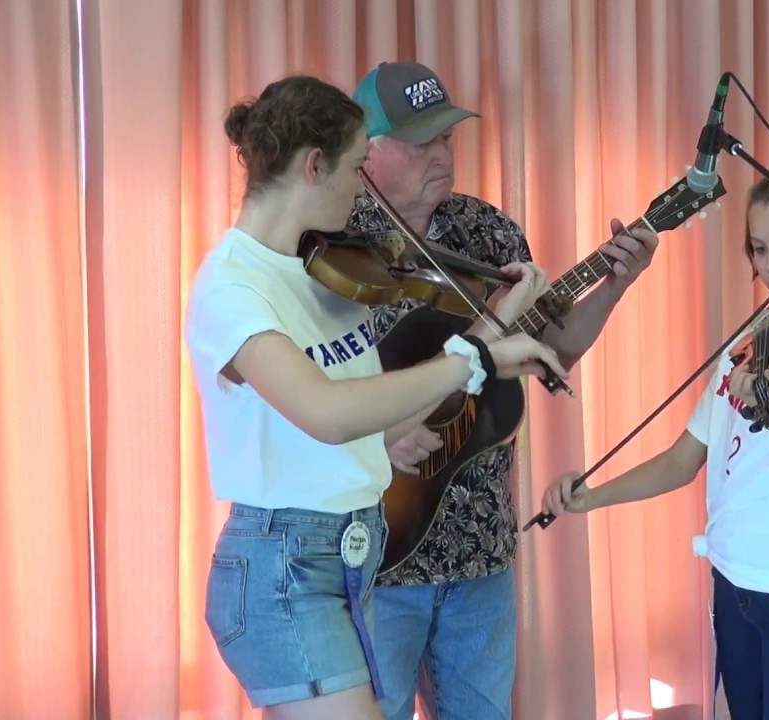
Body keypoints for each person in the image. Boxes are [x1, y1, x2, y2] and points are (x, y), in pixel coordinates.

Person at [184, 74, 567, 720]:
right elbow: (329, 415)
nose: (362, 187)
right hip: (284, 568)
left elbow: (377, 414)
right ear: (314, 167)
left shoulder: (323, 272)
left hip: (351, 555)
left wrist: (492, 336)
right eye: (356, 167)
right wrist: (472, 357)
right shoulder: (233, 288)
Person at [347, 61, 661, 720]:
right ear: (365, 151)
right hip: (376, 555)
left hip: (479, 543)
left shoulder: (485, 231)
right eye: (421, 140)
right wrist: (375, 427)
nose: (441, 154)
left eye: (447, 138)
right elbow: (299, 383)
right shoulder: (332, 243)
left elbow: (556, 343)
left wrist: (617, 282)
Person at [542, 148, 769, 720]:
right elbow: (683, 460)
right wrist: (593, 496)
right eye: (759, 247)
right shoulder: (754, 340)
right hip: (734, 580)